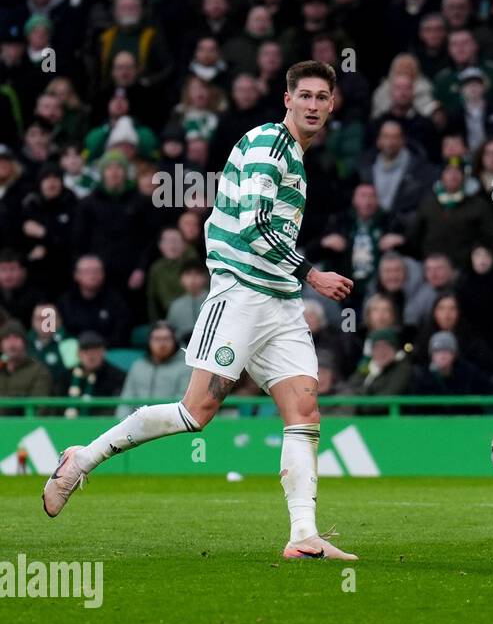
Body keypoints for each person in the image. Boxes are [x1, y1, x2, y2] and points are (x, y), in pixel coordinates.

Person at [41, 61, 359, 561]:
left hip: (279, 301)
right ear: (288, 99)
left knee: (304, 413)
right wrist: (313, 273)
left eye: (323, 97)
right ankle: (83, 458)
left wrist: (296, 281)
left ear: (332, 104)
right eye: (306, 96)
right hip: (240, 294)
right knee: (195, 413)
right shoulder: (269, 144)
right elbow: (253, 224)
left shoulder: (294, 156)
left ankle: (303, 536)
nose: (315, 105)